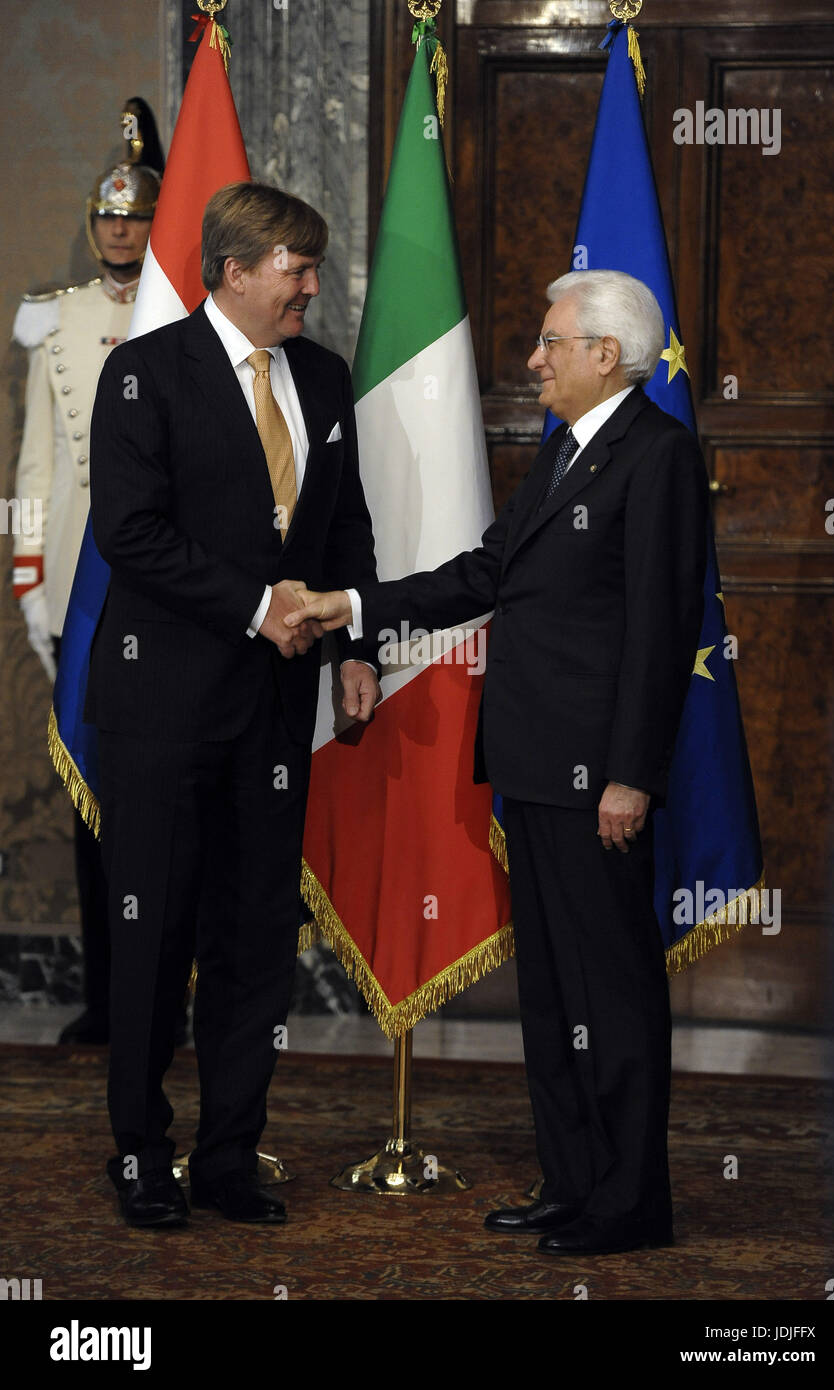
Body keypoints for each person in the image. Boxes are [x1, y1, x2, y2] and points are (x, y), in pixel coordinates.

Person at [286, 269, 709, 1257]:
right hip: (528, 764)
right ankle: (570, 1182)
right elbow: (485, 573)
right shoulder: (566, 450)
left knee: (611, 989)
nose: (533, 359)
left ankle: (630, 1201)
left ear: (606, 355)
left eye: (550, 342)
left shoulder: (659, 457)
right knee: (554, 990)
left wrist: (630, 774)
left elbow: (659, 626)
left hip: (595, 776)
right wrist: (349, 606)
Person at [85, 180, 380, 1227]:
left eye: (312, 265)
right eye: (296, 266)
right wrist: (257, 605)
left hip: (273, 709)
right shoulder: (142, 375)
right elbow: (130, 532)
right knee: (153, 930)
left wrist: (353, 646)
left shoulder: (327, 379)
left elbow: (344, 526)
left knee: (254, 937)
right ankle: (138, 1151)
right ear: (234, 269)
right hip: (160, 704)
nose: (311, 283)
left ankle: (228, 1153)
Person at [12, 98, 163, 1046]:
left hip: (164, 587)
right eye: (106, 219)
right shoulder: (51, 322)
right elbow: (33, 465)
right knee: (90, 792)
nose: (117, 232)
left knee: (167, 793)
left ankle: (166, 994)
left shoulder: (181, 316)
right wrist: (29, 576)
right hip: (78, 583)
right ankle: (107, 1000)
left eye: (134, 217)